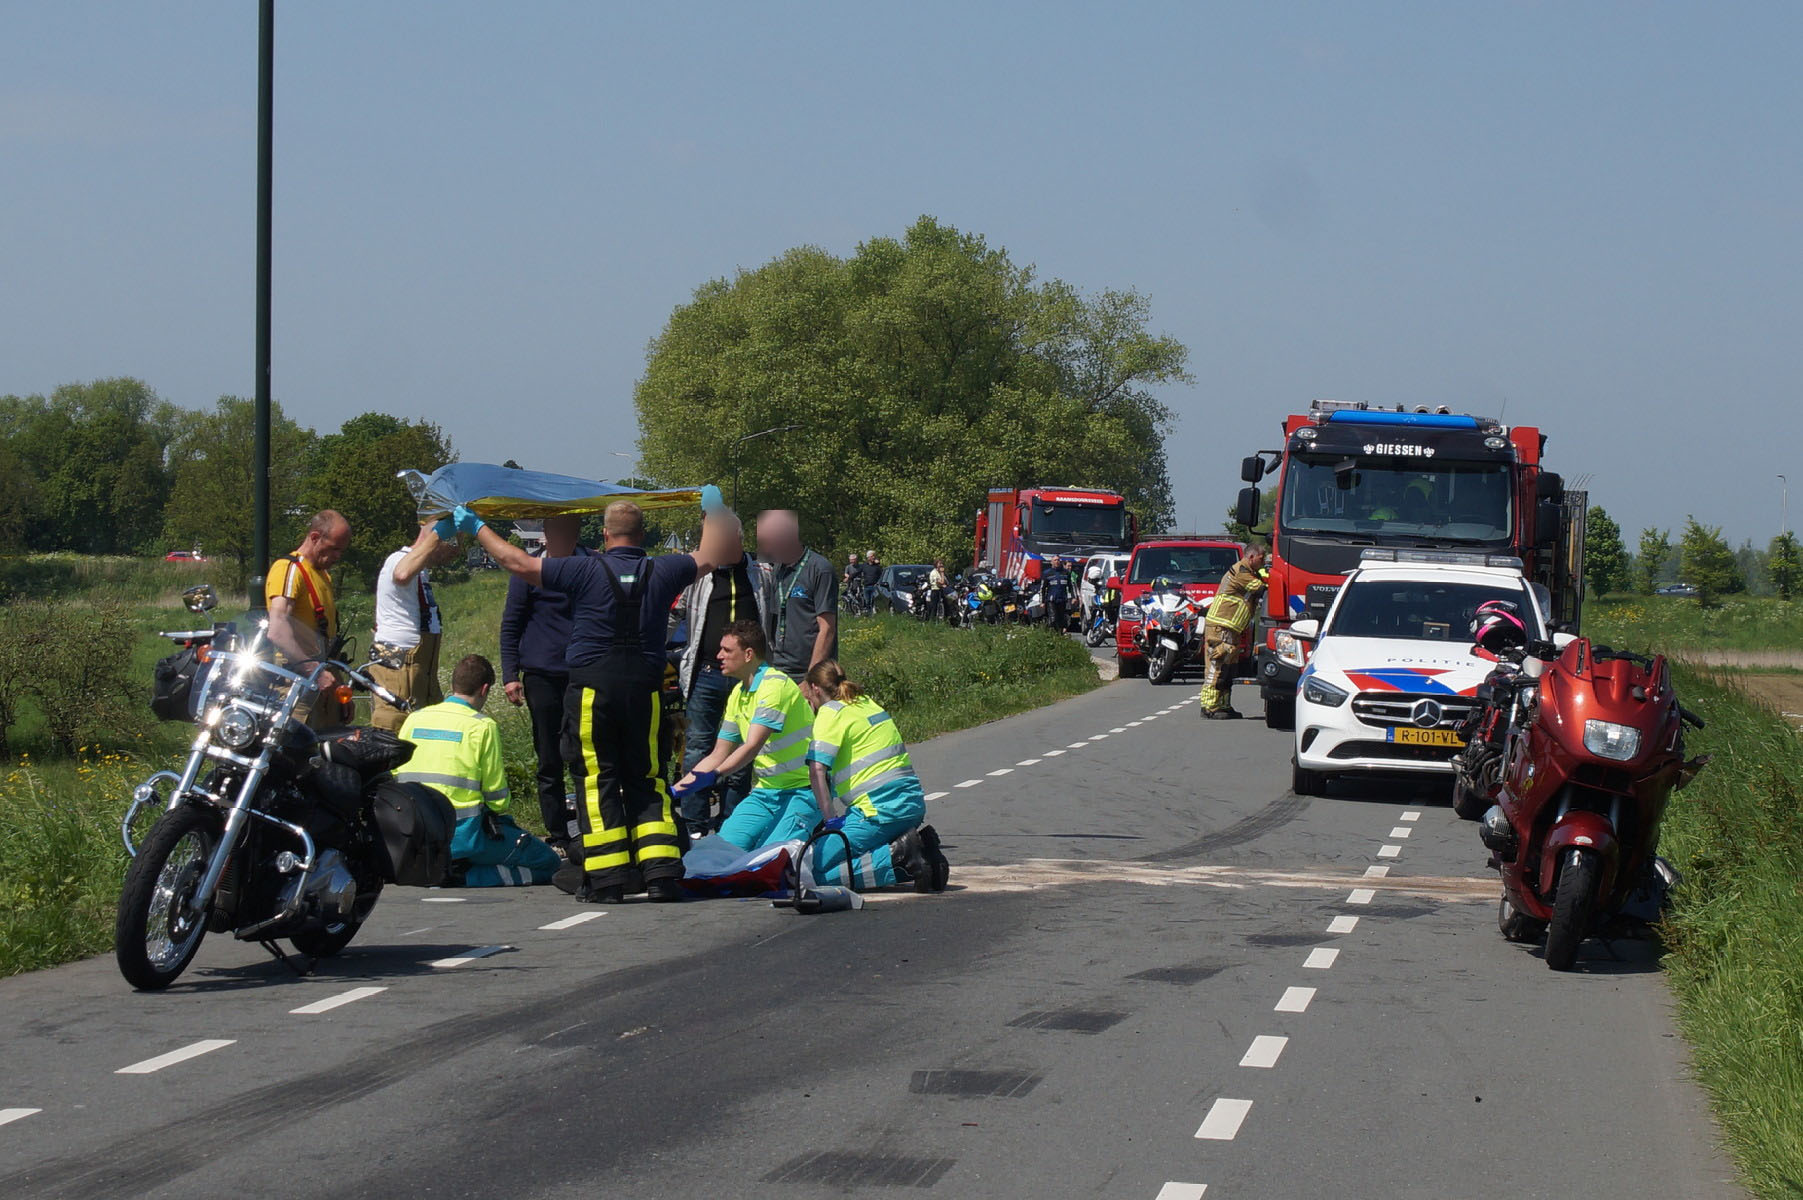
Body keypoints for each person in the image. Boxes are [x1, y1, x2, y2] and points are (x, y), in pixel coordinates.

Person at [454, 493, 742, 903]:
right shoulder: (664, 568)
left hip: (592, 689)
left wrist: (475, 526)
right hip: (645, 689)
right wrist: (714, 509)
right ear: (641, 534)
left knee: (596, 779)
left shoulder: (581, 570)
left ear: (604, 535)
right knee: (648, 777)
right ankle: (660, 872)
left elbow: (518, 562)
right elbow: (715, 552)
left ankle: (607, 879)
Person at [397, 654, 561, 886]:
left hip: (414, 831)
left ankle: (442, 868)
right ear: (484, 689)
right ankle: (462, 876)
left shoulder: (414, 719)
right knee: (548, 863)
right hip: (463, 836)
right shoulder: (482, 726)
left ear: (453, 684)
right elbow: (497, 799)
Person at [801, 660, 948, 891]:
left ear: (815, 689)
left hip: (877, 812)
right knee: (841, 857)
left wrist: (830, 821)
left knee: (815, 871)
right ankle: (926, 858)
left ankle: (901, 859)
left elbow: (817, 769)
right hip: (911, 807)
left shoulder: (830, 712)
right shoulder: (866, 703)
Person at [675, 620, 819, 855]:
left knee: (769, 858)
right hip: (767, 792)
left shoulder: (774, 686)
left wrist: (715, 775)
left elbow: (752, 746)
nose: (719, 655)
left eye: (727, 650)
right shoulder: (738, 694)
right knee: (718, 854)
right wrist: (676, 790)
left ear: (749, 654)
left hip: (804, 791)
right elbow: (719, 753)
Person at [499, 514, 594, 853]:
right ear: (546, 536)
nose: (560, 539)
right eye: (555, 533)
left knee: (587, 754)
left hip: (584, 672)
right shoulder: (528, 573)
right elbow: (511, 625)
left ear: (576, 535)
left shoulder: (593, 566)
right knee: (549, 758)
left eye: (567, 533)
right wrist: (510, 675)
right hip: (542, 675)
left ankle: (590, 828)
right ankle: (558, 835)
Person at [669, 547, 764, 838]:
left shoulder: (761, 574)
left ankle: (731, 823)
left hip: (747, 674)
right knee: (698, 746)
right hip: (706, 672)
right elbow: (674, 614)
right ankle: (695, 824)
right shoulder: (698, 574)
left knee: (741, 747)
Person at [368, 522, 460, 732]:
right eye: (450, 539)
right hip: (399, 669)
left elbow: (451, 554)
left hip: (420, 670)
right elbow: (401, 574)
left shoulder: (421, 570)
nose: (453, 548)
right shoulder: (399, 559)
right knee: (391, 729)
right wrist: (436, 535)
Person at [265, 510, 352, 728]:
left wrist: (341, 692)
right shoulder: (290, 569)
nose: (338, 556)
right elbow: (277, 629)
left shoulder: (323, 575)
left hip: (323, 681)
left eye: (342, 551)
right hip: (295, 682)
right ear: (314, 537)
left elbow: (328, 641)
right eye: (334, 548)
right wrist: (314, 671)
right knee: (294, 753)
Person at [755, 510, 839, 680]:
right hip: (779, 668)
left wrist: (811, 679)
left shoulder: (820, 569)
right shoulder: (778, 570)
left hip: (808, 671)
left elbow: (827, 629)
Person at [1199, 543, 1269, 719]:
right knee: (1217, 666)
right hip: (1220, 626)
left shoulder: (1250, 571)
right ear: (1251, 557)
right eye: (1261, 559)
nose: (1263, 562)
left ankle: (1224, 704)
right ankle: (1209, 706)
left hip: (1232, 629)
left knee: (1229, 669)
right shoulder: (1241, 572)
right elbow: (1262, 590)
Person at [1043, 556, 1071, 633]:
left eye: (1058, 560)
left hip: (1062, 599)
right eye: (1055, 560)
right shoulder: (1047, 573)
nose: (1057, 561)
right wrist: (1042, 601)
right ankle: (1049, 632)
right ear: (1051, 562)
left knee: (1061, 619)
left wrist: (1074, 597)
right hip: (1051, 599)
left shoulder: (1066, 573)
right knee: (1053, 618)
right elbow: (1042, 588)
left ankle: (1059, 635)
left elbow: (1071, 586)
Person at [858, 550, 882, 616]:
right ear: (868, 558)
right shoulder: (864, 566)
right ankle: (869, 614)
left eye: (874, 556)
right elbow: (857, 572)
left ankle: (873, 614)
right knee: (867, 601)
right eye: (871, 556)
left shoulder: (877, 566)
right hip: (866, 586)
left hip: (874, 586)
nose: (873, 557)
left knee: (873, 601)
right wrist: (849, 577)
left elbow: (882, 574)